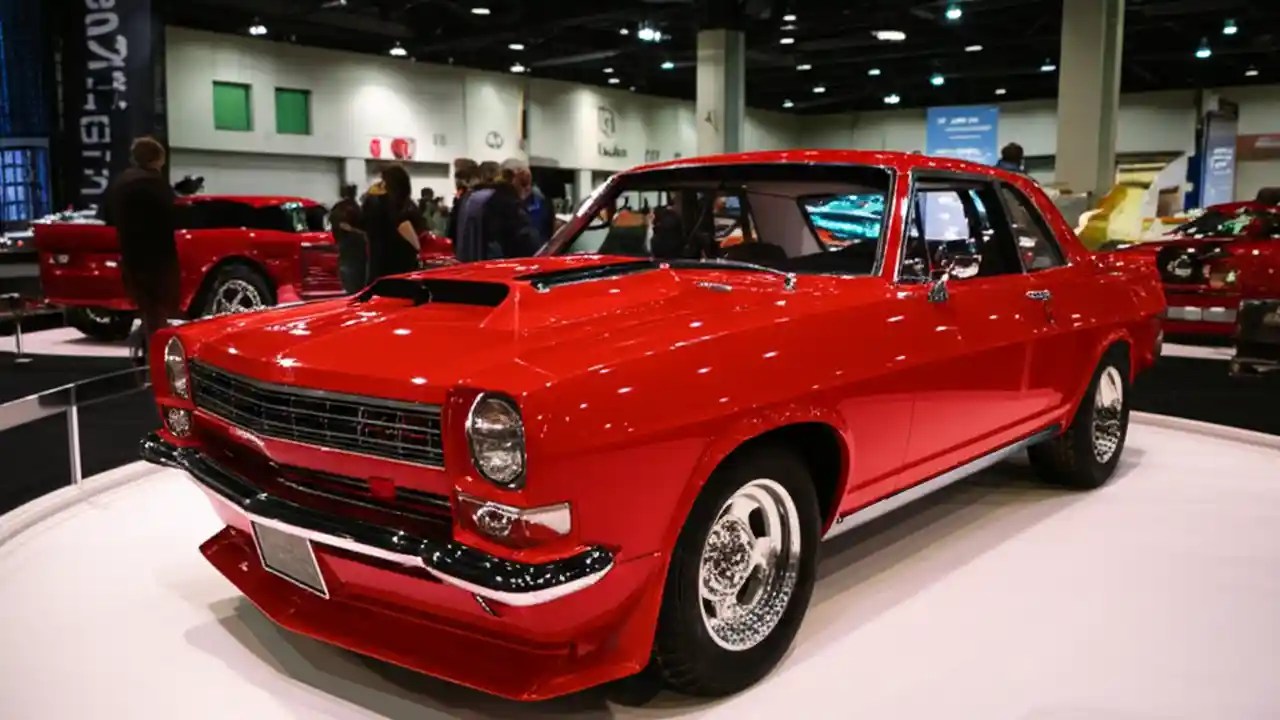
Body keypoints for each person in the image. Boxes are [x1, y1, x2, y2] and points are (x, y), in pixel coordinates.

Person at [101, 136, 178, 363]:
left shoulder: (120, 183)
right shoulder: (156, 185)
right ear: (156, 159)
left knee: (148, 308)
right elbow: (171, 217)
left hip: (131, 256)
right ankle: (157, 359)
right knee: (159, 310)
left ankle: (149, 352)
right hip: (159, 257)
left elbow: (108, 217)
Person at [454, 157, 542, 262]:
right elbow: (525, 243)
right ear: (515, 177)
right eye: (524, 182)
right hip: (497, 269)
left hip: (468, 267)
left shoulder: (468, 198)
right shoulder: (505, 201)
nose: (528, 189)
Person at [365, 165, 424, 280]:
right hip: (400, 265)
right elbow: (404, 227)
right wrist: (419, 249)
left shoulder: (374, 202)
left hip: (378, 265)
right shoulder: (401, 205)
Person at [329, 184, 367, 293]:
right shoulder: (356, 207)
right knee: (357, 275)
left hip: (344, 245)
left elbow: (334, 224)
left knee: (348, 273)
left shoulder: (338, 207)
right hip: (356, 246)